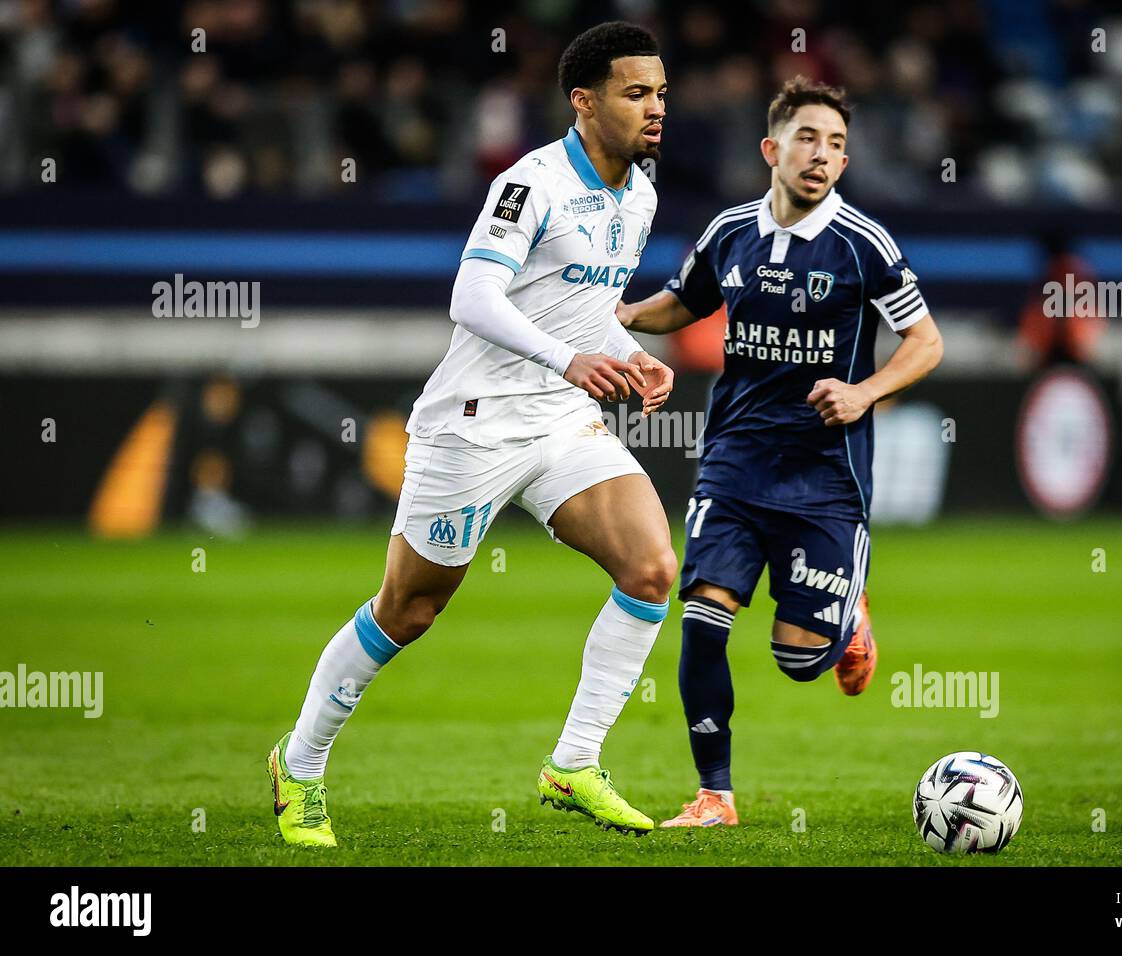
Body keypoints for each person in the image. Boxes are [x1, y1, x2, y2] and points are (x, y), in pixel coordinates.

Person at [268, 21, 676, 843]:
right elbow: (474, 300)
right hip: (475, 425)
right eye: (637, 93)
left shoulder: (641, 192)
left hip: (562, 420)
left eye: (662, 92)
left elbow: (581, 306)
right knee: (408, 611)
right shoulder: (530, 184)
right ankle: (299, 765)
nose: (656, 108)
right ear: (584, 102)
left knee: (651, 568)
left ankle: (574, 765)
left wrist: (632, 355)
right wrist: (569, 360)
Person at [618, 76, 944, 827]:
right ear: (772, 149)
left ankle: (846, 620)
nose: (821, 154)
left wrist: (865, 393)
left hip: (824, 476)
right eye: (807, 138)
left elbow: (926, 343)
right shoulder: (730, 230)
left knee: (799, 661)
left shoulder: (865, 246)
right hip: (733, 460)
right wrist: (631, 313)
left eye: (835, 143)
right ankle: (714, 795)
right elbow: (686, 301)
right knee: (701, 614)